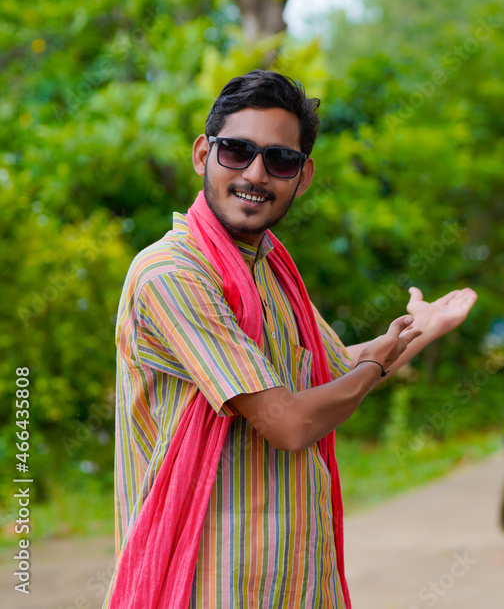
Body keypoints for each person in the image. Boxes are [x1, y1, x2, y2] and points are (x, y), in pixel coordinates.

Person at [105, 70, 477, 608]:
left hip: (293, 575)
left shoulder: (271, 272)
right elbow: (291, 421)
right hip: (209, 582)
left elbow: (331, 370)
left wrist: (421, 328)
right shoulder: (173, 275)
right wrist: (374, 369)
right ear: (202, 154)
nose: (255, 174)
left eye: (279, 160)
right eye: (236, 151)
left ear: (301, 177)